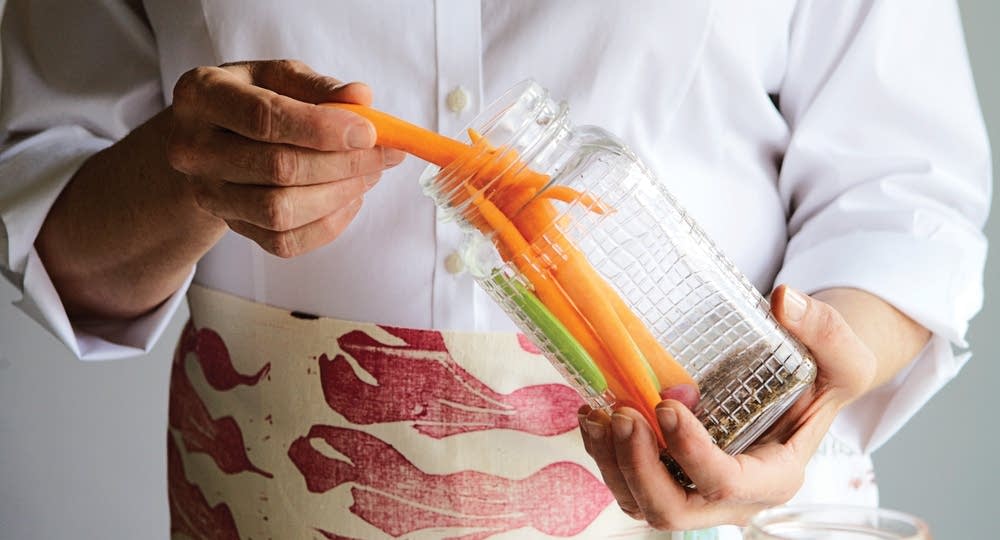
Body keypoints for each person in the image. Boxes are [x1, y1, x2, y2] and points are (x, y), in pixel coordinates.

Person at [0, 1, 989, 538]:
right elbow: (38, 190)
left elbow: (904, 188)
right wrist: (184, 176)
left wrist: (805, 394)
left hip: (707, 502)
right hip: (272, 501)